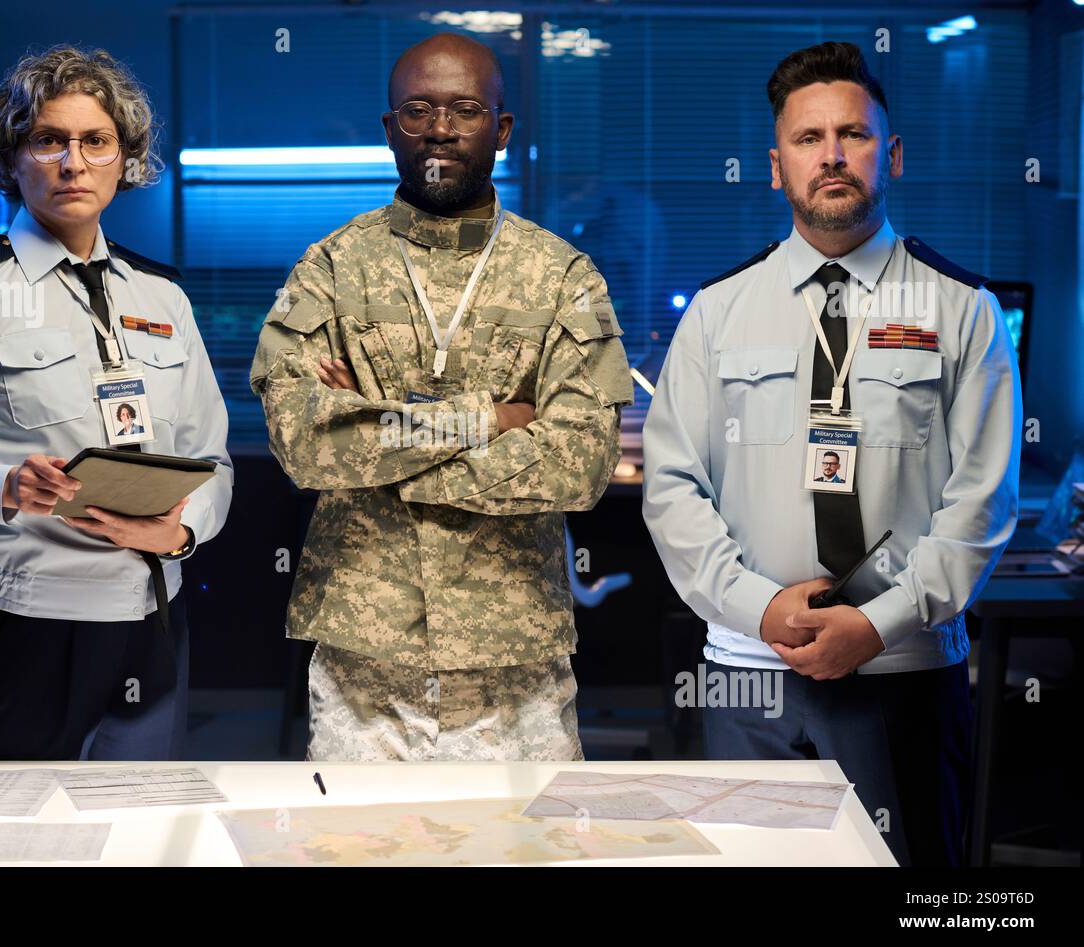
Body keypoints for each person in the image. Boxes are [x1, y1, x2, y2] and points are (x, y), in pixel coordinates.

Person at [641, 41, 1019, 865]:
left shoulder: (962, 308)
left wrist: (876, 624)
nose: (833, 154)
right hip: (748, 673)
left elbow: (981, 504)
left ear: (893, 154)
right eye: (809, 139)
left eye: (853, 134)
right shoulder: (717, 311)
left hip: (904, 673)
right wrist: (759, 608)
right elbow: (672, 489)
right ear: (776, 167)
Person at [250, 32, 632, 761]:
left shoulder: (563, 277)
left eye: (464, 109)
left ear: (502, 128)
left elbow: (581, 462)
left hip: (515, 664)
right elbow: (304, 443)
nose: (441, 129)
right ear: (391, 127)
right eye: (419, 109)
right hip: (365, 664)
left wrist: (377, 438)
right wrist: (492, 420)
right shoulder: (331, 267)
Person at [0, 46, 234, 761]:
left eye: (95, 141)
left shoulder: (163, 296)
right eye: (48, 140)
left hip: (153, 619)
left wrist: (181, 531)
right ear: (13, 159)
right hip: (22, 626)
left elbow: (211, 457)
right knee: (18, 843)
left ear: (125, 159)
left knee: (136, 835)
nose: (73, 162)